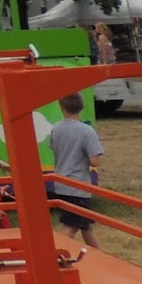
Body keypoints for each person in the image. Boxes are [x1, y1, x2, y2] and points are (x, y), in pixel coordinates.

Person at [48, 92, 105, 247]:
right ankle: (57, 253)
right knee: (72, 226)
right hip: (78, 186)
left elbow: (54, 149)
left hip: (61, 183)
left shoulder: (56, 128)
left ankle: (98, 256)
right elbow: (95, 161)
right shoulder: (86, 131)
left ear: (62, 108)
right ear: (82, 107)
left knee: (86, 225)